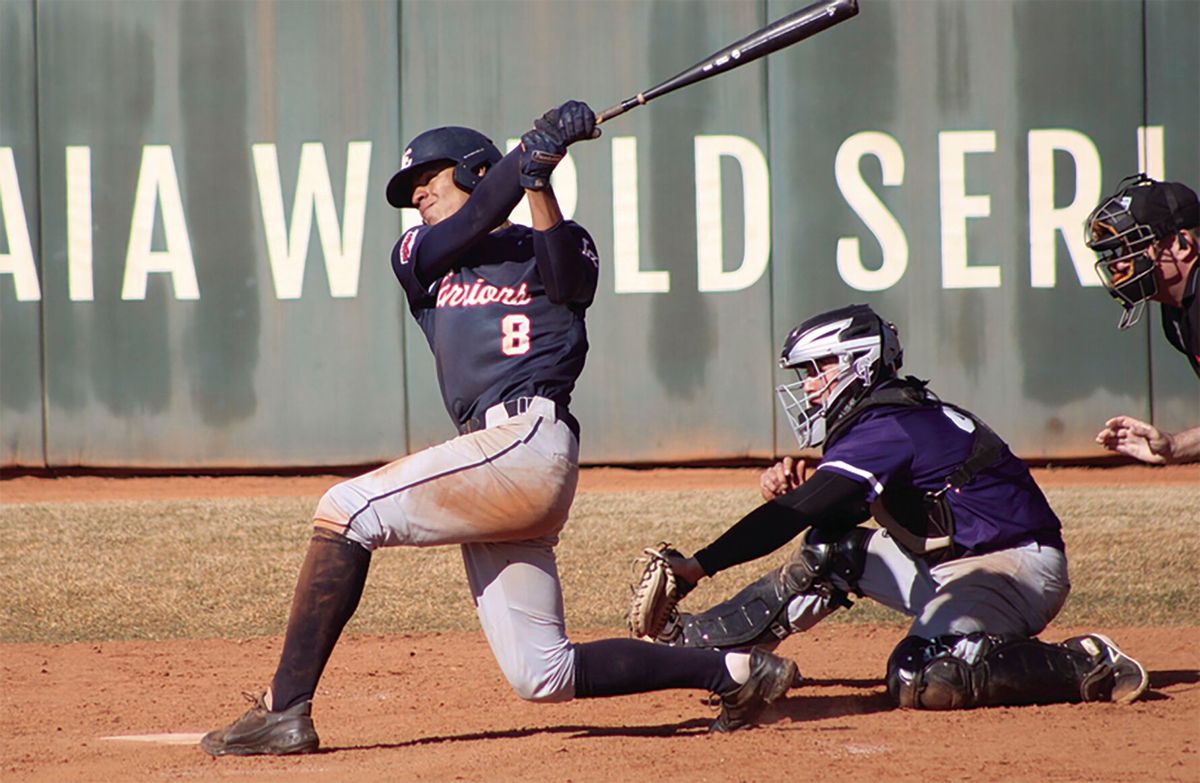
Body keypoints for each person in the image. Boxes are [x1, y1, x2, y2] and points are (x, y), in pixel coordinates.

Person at [200, 101, 797, 756]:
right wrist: (528, 156)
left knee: (344, 509)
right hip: (493, 461)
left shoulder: (558, 242)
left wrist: (538, 179)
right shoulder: (419, 256)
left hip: (528, 441)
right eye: (411, 187)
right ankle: (734, 670)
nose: (418, 192)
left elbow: (567, 278)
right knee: (541, 672)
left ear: (476, 170)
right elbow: (480, 215)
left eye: (431, 175)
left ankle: (284, 708)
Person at [638, 304, 1149, 710]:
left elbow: (795, 514)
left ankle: (1086, 663)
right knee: (830, 549)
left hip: (1013, 569)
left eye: (819, 369)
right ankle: (709, 649)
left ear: (860, 364)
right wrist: (798, 498)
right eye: (806, 372)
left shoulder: (889, 426)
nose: (809, 385)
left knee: (920, 676)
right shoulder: (886, 418)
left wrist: (698, 565)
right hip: (949, 565)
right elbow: (830, 516)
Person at [1086, 174, 1200, 464]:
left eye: (1134, 247)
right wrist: (1174, 447)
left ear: (1183, 244)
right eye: (1119, 250)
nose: (1121, 263)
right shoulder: (1177, 312)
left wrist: (1177, 445)